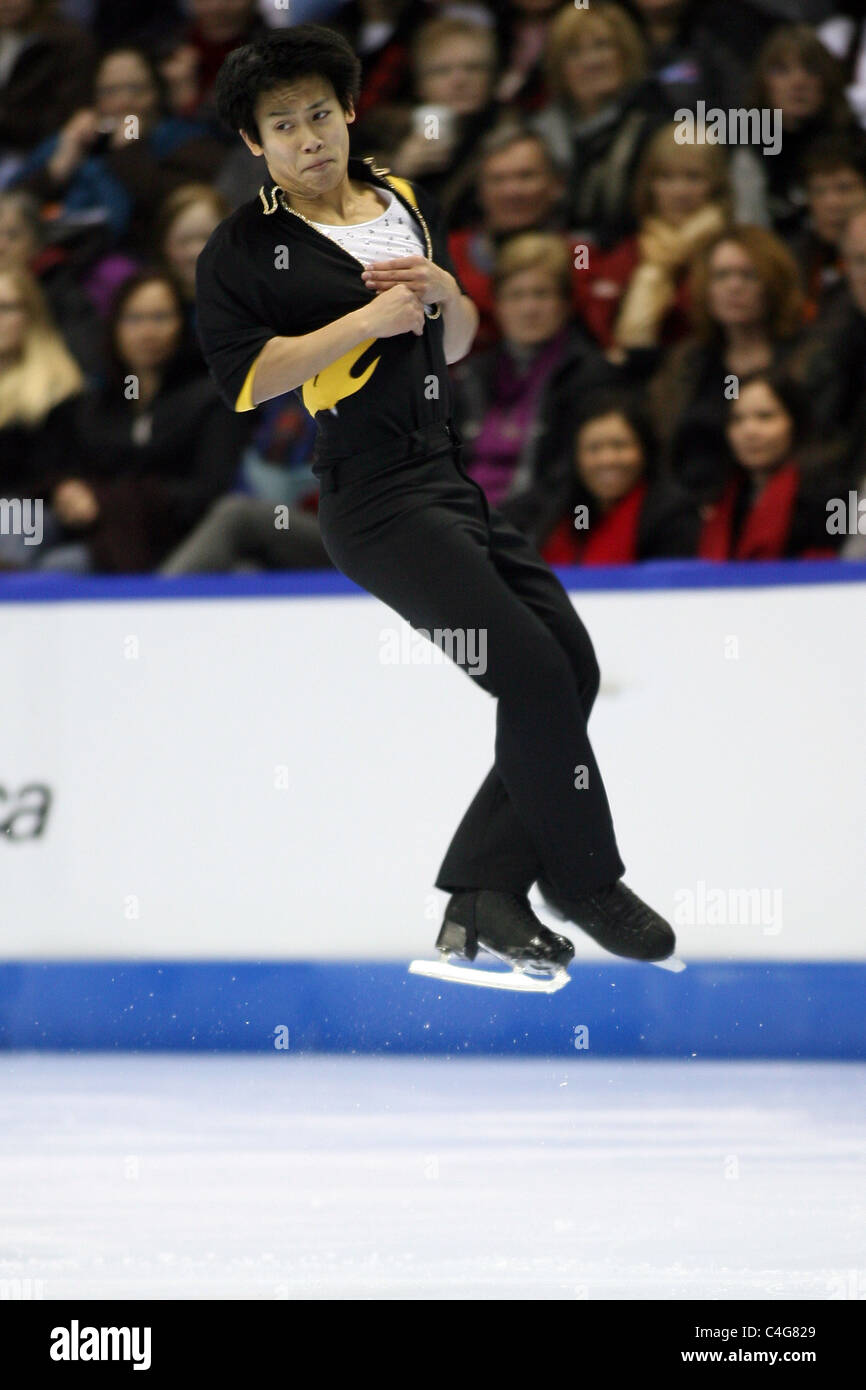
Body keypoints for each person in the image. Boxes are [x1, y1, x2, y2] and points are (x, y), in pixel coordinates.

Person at [195, 24, 678, 978]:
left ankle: (481, 896)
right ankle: (577, 881)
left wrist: (449, 294)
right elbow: (245, 381)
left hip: (447, 475)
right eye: (282, 126)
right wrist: (364, 320)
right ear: (255, 143)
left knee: (567, 665)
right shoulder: (244, 248)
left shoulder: (404, 197)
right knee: (530, 675)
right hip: (371, 499)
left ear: (350, 111)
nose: (308, 138)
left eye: (320, 115)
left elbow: (450, 344)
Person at [41, 270, 249, 573]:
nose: (147, 332)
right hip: (99, 536)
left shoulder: (212, 400)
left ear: (182, 323)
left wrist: (108, 500)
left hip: (186, 542)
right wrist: (67, 491)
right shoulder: (91, 407)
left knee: (56, 569)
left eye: (160, 317)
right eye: (134, 319)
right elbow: (63, 468)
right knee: (25, 528)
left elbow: (208, 492)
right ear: (114, 327)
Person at [450, 232, 619, 544]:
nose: (529, 308)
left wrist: (493, 524)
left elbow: (568, 479)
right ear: (497, 305)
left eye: (542, 294)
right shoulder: (471, 372)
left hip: (538, 533)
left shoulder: (589, 374)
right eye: (516, 295)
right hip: (460, 526)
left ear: (566, 304)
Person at [649, 226, 805, 507]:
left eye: (749, 275)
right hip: (690, 514)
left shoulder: (805, 357)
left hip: (782, 511)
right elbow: (664, 446)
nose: (734, 287)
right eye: (721, 276)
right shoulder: (687, 363)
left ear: (773, 283)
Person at [531, 0, 668, 249]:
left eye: (602, 46)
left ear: (626, 52)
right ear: (559, 66)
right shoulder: (536, 133)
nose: (591, 61)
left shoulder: (654, 129)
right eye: (574, 51)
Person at [538, 394, 698, 566]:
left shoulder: (673, 514)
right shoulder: (565, 510)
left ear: (644, 449)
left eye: (619, 445)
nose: (607, 459)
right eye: (593, 448)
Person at [698, 370, 841, 562]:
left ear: (795, 422)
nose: (749, 431)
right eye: (737, 420)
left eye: (765, 417)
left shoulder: (830, 498)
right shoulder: (718, 498)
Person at [0, 265, 84, 569]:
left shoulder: (59, 387)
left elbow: (55, 474)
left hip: (34, 511)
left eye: (6, 308)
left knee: (11, 516)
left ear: (31, 314)